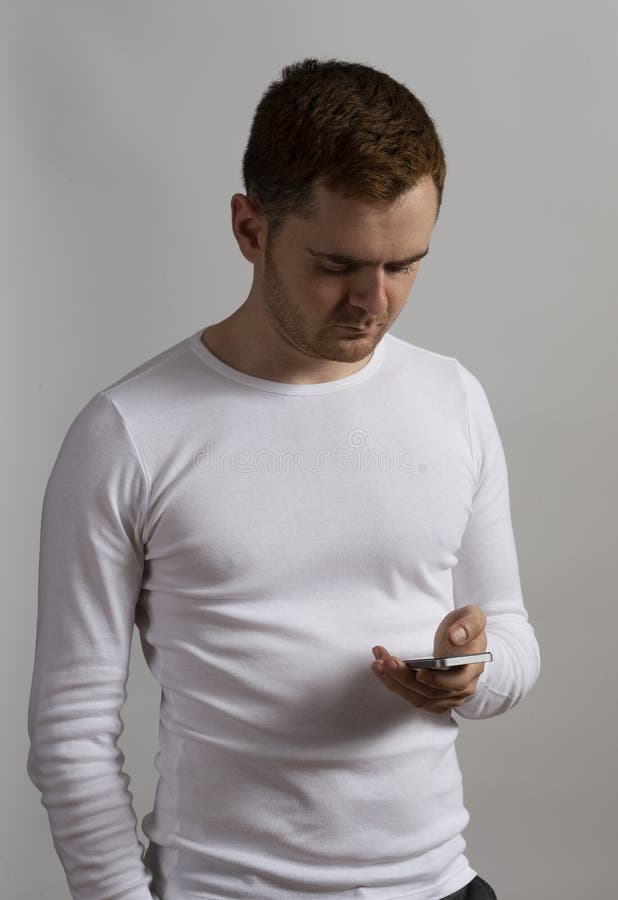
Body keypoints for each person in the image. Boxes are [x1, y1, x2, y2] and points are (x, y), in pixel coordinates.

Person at [26, 57, 540, 900]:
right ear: (250, 228)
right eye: (337, 265)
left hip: (440, 884)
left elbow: (512, 635)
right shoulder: (128, 433)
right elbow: (70, 731)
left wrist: (472, 671)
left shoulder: (452, 398)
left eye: (405, 264)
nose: (374, 301)